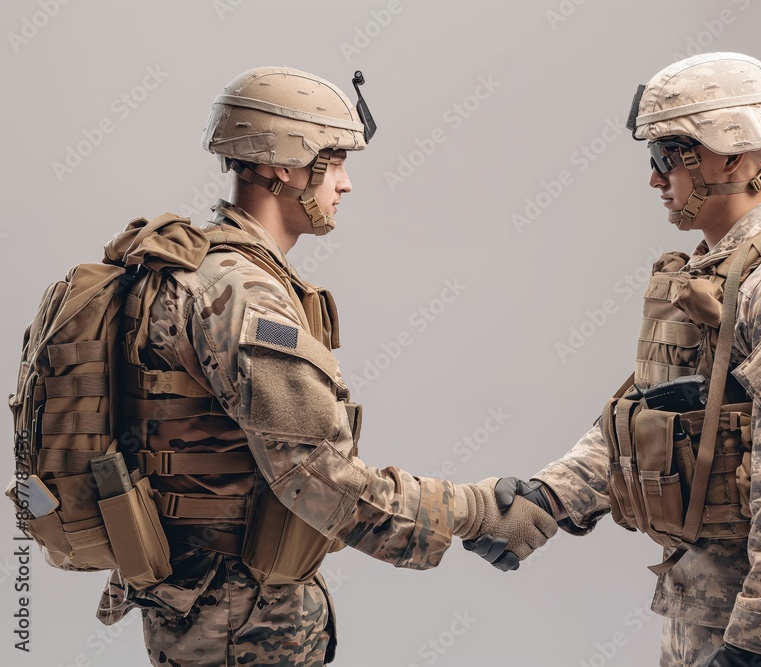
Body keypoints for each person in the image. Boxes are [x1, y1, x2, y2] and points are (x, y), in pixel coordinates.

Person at [92, 66, 557, 667]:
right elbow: (321, 479)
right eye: (333, 161)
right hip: (240, 622)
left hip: (209, 609)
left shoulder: (193, 271)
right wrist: (477, 511)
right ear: (283, 166)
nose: (345, 184)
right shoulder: (241, 294)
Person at [472, 53, 761, 666]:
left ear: (732, 157)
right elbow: (655, 422)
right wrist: (548, 499)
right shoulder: (712, 277)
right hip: (705, 598)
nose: (656, 180)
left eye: (667, 158)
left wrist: (760, 646)